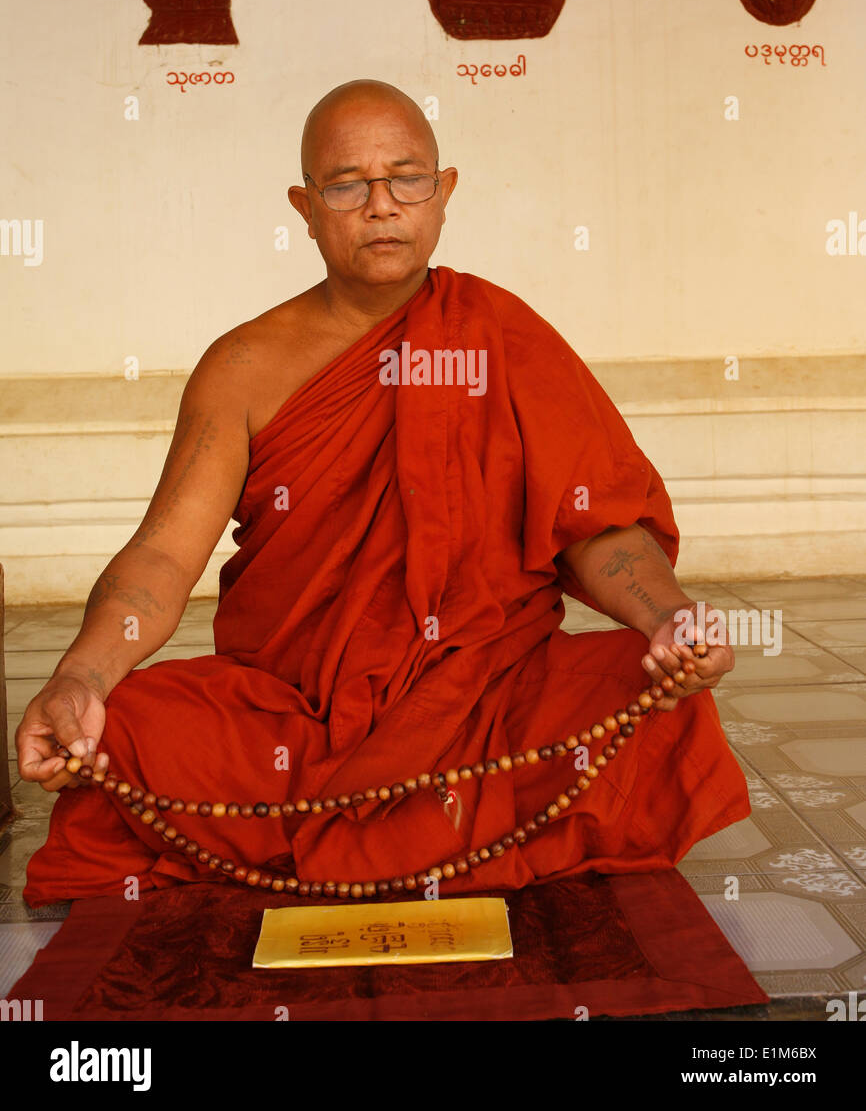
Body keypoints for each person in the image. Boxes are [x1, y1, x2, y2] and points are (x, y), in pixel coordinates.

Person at [18, 79, 746, 904]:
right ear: (304, 205)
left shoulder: (503, 334)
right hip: (298, 715)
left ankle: (337, 837)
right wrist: (81, 675)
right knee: (133, 727)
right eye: (346, 184)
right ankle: (433, 836)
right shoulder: (243, 367)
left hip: (485, 700)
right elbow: (162, 554)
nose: (380, 206)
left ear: (444, 194)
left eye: (406, 178)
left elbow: (600, 526)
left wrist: (669, 620)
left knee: (655, 704)